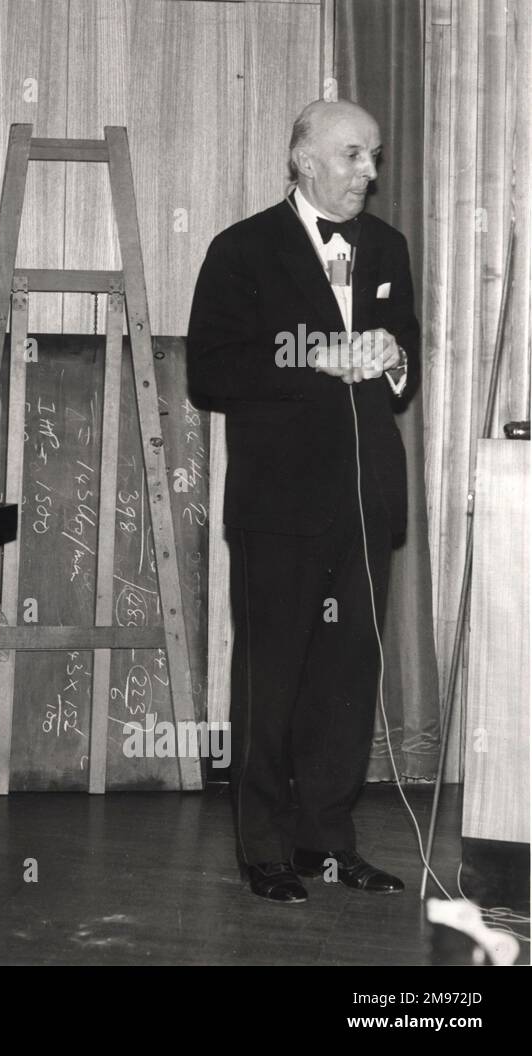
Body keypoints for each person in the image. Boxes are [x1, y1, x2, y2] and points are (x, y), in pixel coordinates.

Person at [187, 100, 419, 904]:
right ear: (305, 160)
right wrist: (316, 357)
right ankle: (264, 851)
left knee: (346, 678)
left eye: (375, 155)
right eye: (355, 154)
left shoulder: (386, 247)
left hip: (363, 502)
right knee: (271, 677)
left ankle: (330, 843)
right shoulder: (242, 249)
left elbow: (405, 368)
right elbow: (209, 375)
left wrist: (391, 359)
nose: (371, 171)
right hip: (278, 505)